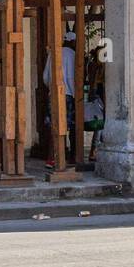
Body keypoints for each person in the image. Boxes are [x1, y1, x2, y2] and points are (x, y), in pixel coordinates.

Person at [42, 31, 77, 166]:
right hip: (67, 94)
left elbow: (45, 76)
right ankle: (69, 157)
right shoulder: (72, 55)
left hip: (53, 94)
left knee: (53, 126)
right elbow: (71, 77)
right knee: (69, 126)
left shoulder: (53, 53)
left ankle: (51, 157)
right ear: (73, 42)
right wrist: (75, 95)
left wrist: (51, 88)